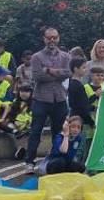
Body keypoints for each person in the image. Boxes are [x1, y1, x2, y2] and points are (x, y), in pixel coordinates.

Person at [26, 27, 72, 166]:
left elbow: (68, 73)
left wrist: (49, 70)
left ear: (58, 38)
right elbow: (37, 76)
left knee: (58, 132)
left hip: (60, 98)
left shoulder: (66, 56)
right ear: (44, 39)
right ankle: (29, 161)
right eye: (49, 37)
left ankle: (55, 160)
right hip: (41, 99)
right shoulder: (36, 57)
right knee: (35, 131)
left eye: (54, 37)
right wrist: (58, 74)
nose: (52, 40)